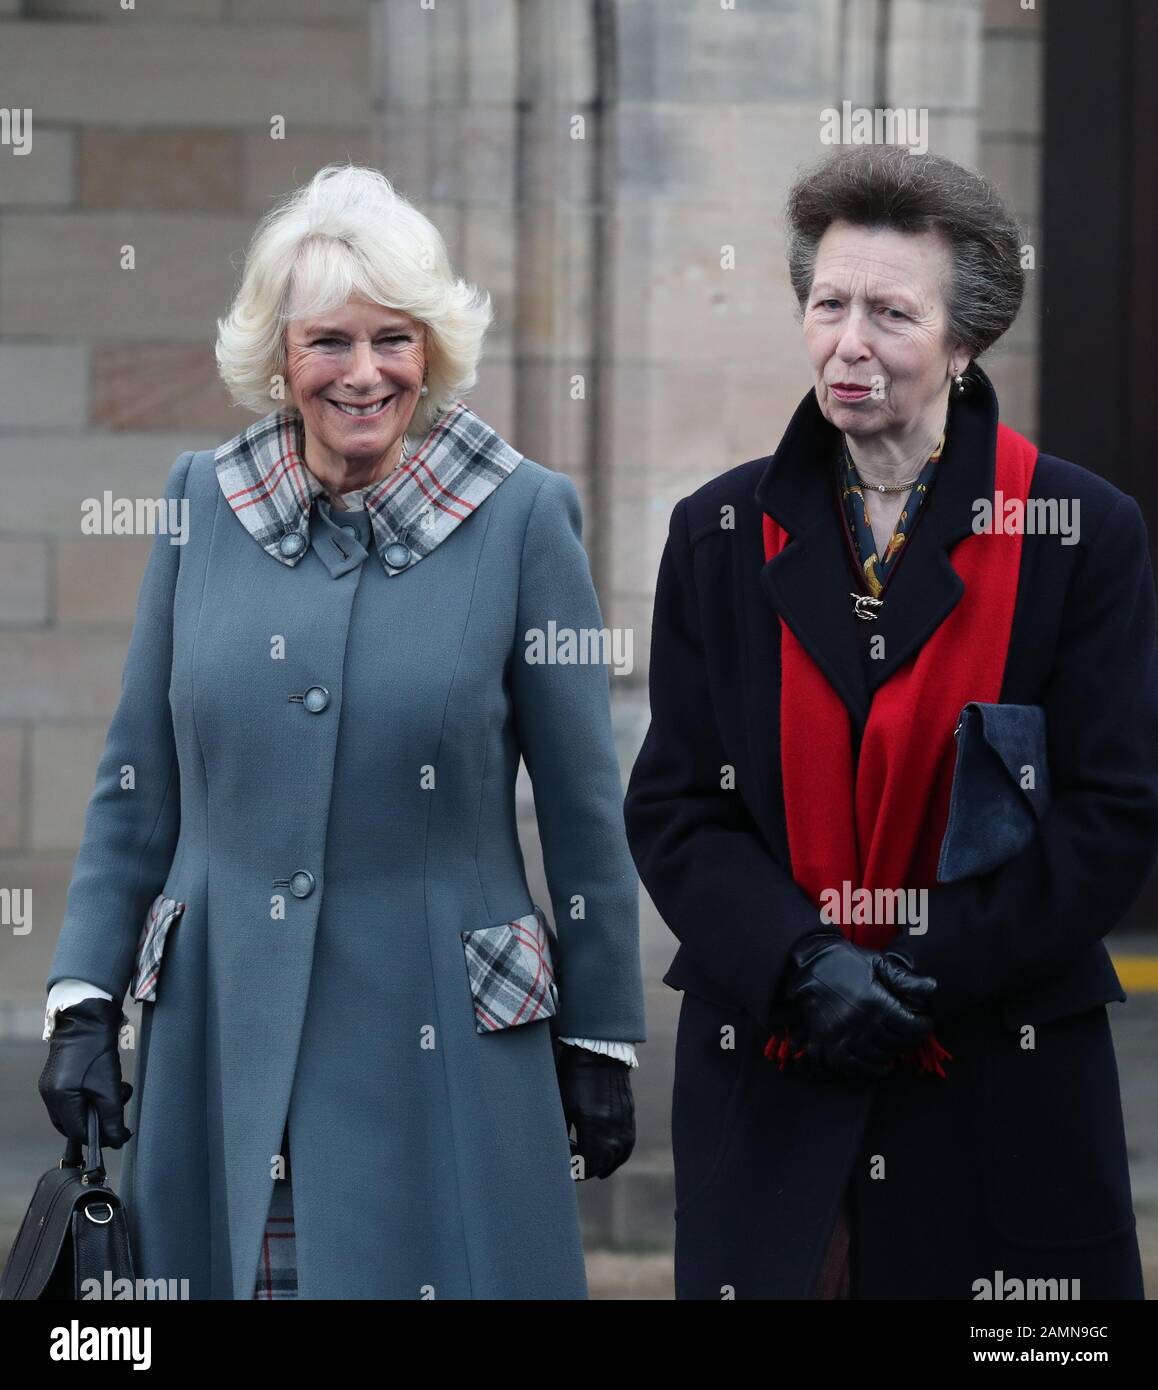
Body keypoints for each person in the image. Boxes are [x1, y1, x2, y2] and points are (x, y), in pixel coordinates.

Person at [39, 163, 645, 1300]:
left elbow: (581, 800)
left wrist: (601, 1032)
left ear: (432, 349)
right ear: (279, 356)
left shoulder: (521, 514)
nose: (364, 372)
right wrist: (84, 995)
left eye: (394, 339)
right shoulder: (198, 504)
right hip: (221, 1024)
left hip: (446, 1038)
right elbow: (137, 781)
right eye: (329, 341)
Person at [624, 145, 1158, 1299]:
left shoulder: (1083, 531)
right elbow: (677, 808)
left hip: (995, 1070)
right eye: (828, 304)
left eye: (889, 312)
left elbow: (1109, 815)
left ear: (965, 342)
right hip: (778, 1061)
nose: (848, 342)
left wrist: (914, 972)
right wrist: (809, 963)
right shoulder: (714, 534)